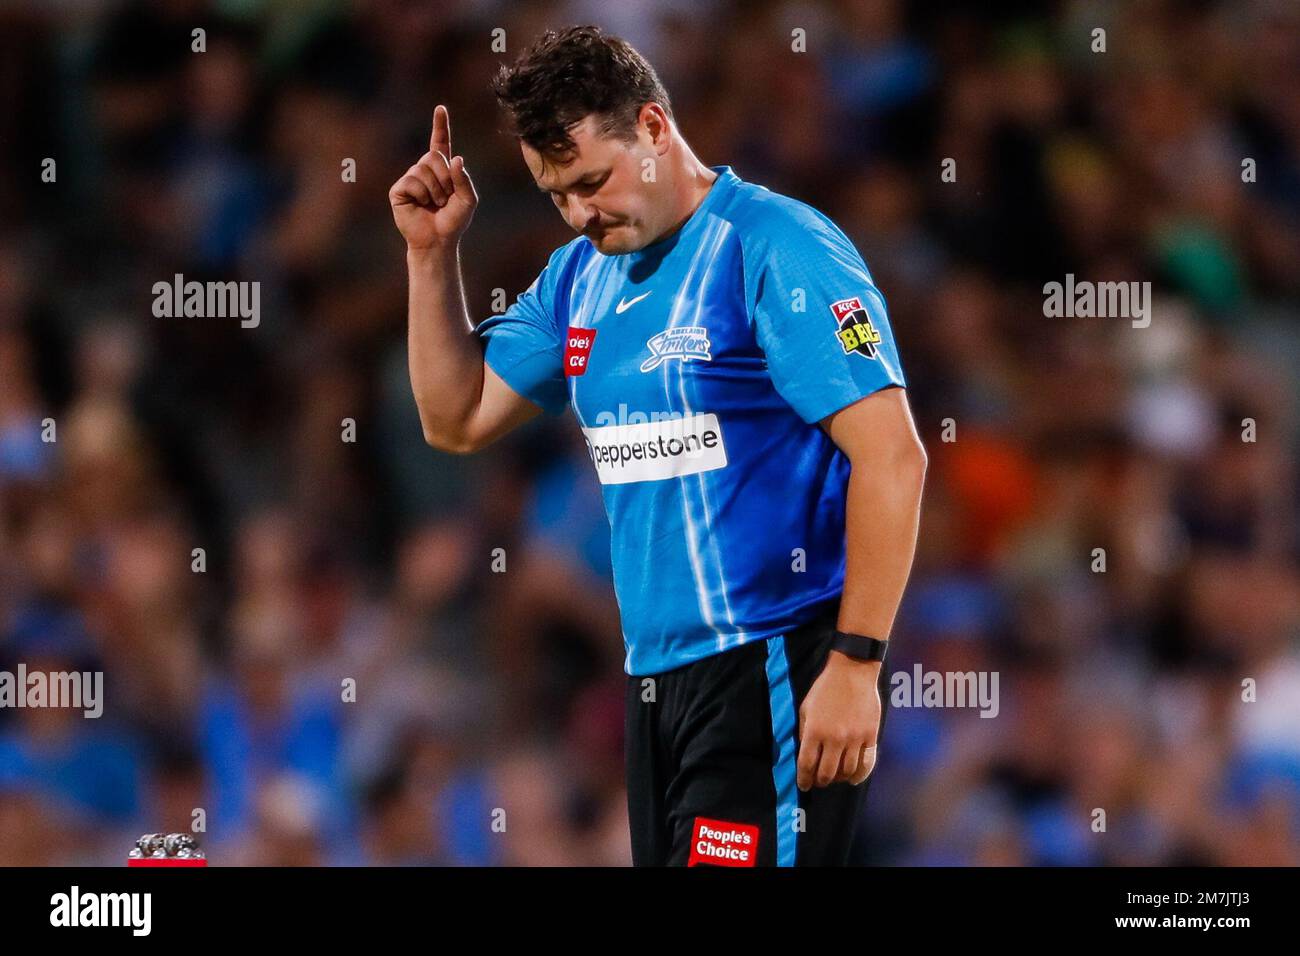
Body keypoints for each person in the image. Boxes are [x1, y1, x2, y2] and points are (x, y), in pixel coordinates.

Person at [389, 24, 926, 866]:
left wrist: (858, 662)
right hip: (655, 686)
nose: (580, 212)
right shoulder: (578, 279)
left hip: (773, 668)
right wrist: (431, 256)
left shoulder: (775, 246)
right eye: (556, 194)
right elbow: (455, 419)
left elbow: (894, 458)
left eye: (592, 182)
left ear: (651, 127)